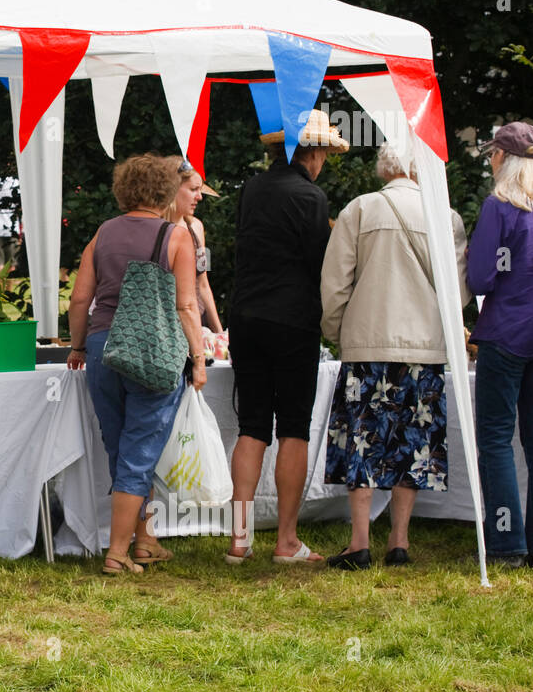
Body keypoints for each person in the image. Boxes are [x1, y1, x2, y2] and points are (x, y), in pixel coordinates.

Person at [320, 142, 470, 568]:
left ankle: (359, 542)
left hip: (367, 343)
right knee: (414, 446)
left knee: (363, 443)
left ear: (385, 169)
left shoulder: (359, 210)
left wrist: (337, 333)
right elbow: (457, 294)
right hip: (424, 350)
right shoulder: (447, 217)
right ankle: (399, 542)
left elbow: (334, 286)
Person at [67, 154, 206, 573]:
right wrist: (198, 358)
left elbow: (79, 300)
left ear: (122, 189)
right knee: (140, 450)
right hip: (152, 349)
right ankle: (117, 553)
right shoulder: (175, 236)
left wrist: (77, 347)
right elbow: (186, 304)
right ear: (166, 191)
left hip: (102, 348)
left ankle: (144, 541)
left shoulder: (103, 233)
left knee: (120, 447)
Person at [225, 109, 347, 565]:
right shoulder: (310, 196)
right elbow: (322, 264)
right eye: (322, 154)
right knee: (292, 426)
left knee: (251, 425)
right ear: (311, 151)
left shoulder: (251, 190)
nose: (322, 162)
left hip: (247, 316)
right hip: (293, 319)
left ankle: (239, 539)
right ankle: (287, 541)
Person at [467, 121, 533, 567]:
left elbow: (482, 277)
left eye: (492, 155)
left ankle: (506, 543)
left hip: (505, 335)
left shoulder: (499, 206)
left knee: (497, 440)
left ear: (502, 158)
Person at [164, 158, 223, 333]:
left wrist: (219, 333)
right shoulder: (153, 229)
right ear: (172, 189)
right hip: (166, 328)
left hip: (197, 324)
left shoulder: (196, 227)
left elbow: (203, 284)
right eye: (193, 189)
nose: (200, 196)